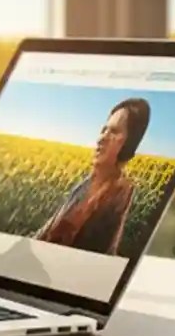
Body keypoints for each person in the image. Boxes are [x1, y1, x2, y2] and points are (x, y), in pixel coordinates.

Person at [34, 98, 151, 256]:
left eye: (114, 132)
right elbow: (49, 228)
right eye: (104, 130)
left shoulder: (118, 192)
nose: (101, 138)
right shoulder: (89, 182)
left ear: (129, 144)